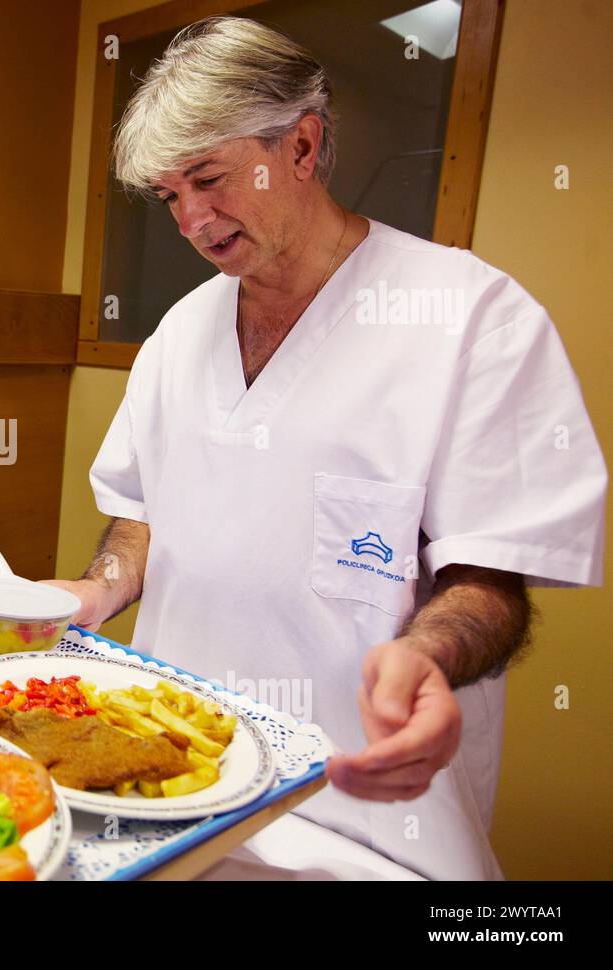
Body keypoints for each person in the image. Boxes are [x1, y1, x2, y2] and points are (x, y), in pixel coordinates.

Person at [46, 17, 606, 879]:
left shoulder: (469, 320)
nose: (191, 220)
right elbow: (142, 514)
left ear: (301, 146)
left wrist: (424, 655)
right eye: (168, 196)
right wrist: (96, 590)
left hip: (365, 819)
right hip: (171, 787)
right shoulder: (178, 335)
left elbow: (488, 579)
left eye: (209, 178)